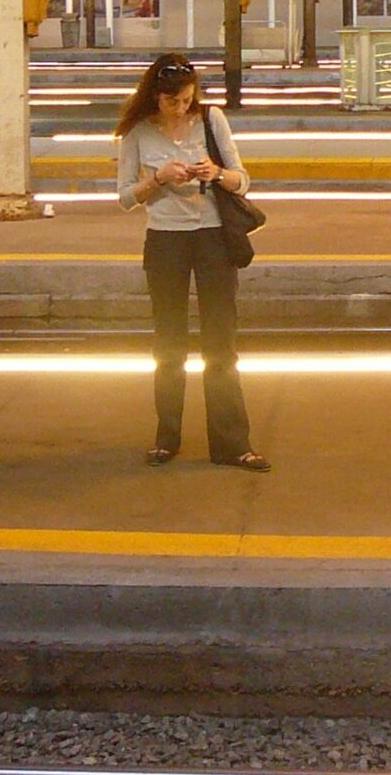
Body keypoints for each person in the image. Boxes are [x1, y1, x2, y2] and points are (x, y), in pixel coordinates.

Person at [115, 53, 268, 471]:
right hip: (165, 241)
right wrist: (158, 179)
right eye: (171, 102)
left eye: (185, 100)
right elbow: (126, 197)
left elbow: (242, 179)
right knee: (169, 345)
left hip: (214, 238)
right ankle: (167, 438)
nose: (180, 108)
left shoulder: (212, 120)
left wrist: (215, 173)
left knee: (221, 345)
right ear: (154, 97)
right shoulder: (138, 132)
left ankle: (232, 443)